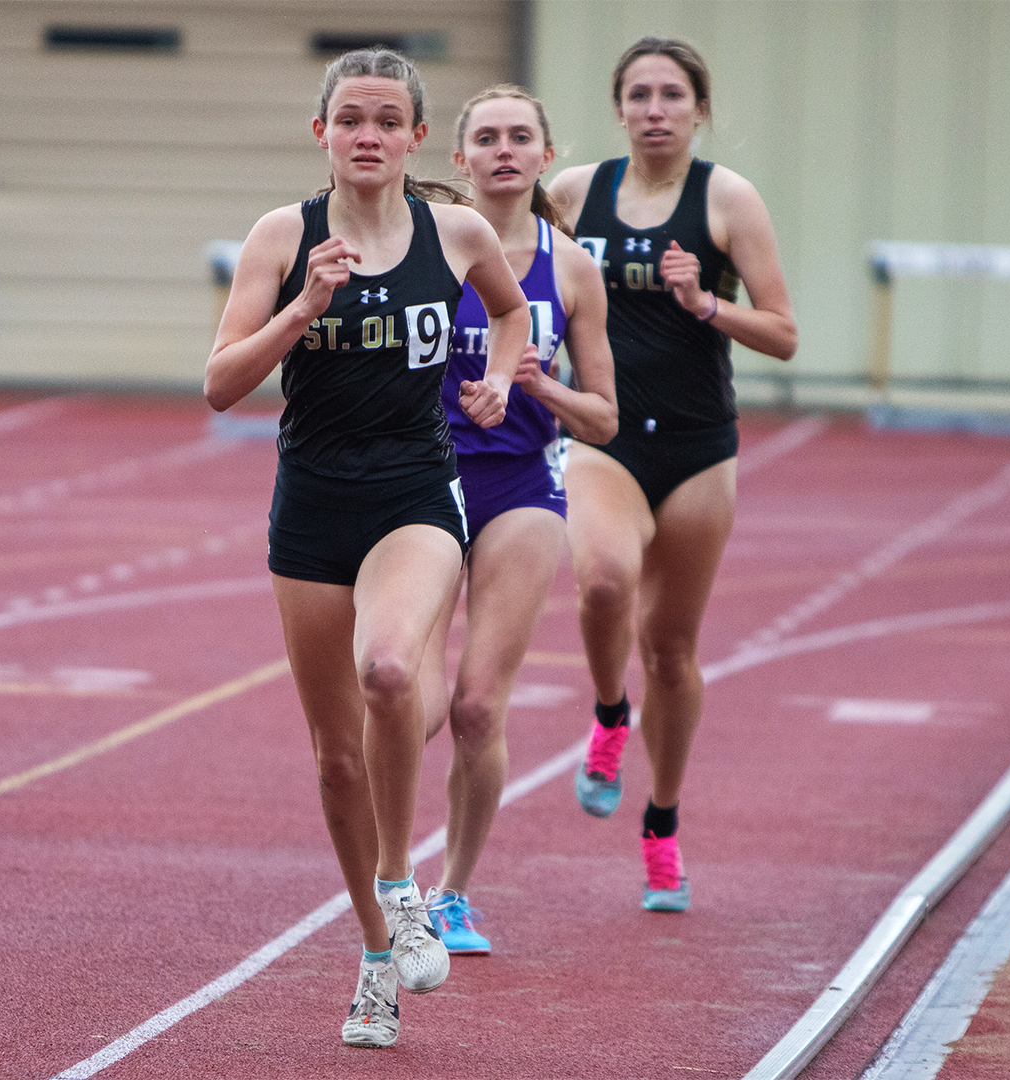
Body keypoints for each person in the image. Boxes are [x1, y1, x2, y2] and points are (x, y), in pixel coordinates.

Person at [204, 48, 530, 1049]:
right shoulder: (282, 236)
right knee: (336, 756)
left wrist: (499, 380)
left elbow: (511, 309)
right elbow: (220, 384)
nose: (369, 136)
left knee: (390, 669)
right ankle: (377, 956)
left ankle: (402, 885)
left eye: (388, 120)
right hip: (311, 506)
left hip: (415, 494)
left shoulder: (456, 231)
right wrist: (303, 307)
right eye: (351, 119)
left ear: (416, 138)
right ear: (322, 134)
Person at [547, 37, 798, 913]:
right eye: (640, 95)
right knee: (602, 580)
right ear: (618, 108)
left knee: (671, 649)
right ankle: (610, 714)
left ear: (700, 109)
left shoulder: (727, 199)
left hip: (697, 447)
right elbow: (505, 264)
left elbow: (783, 333)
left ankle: (661, 825)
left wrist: (706, 303)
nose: (655, 110)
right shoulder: (575, 193)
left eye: (672, 95)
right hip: (604, 435)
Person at [415, 86, 617, 956]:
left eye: (520, 137)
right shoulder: (426, 243)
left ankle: (452, 894)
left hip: (521, 486)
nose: (504, 150)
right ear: (459, 158)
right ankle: (384, 870)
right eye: (488, 138)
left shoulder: (570, 269)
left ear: (545, 155)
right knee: (413, 702)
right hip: (422, 481)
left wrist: (539, 385)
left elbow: (604, 417)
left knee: (475, 707)